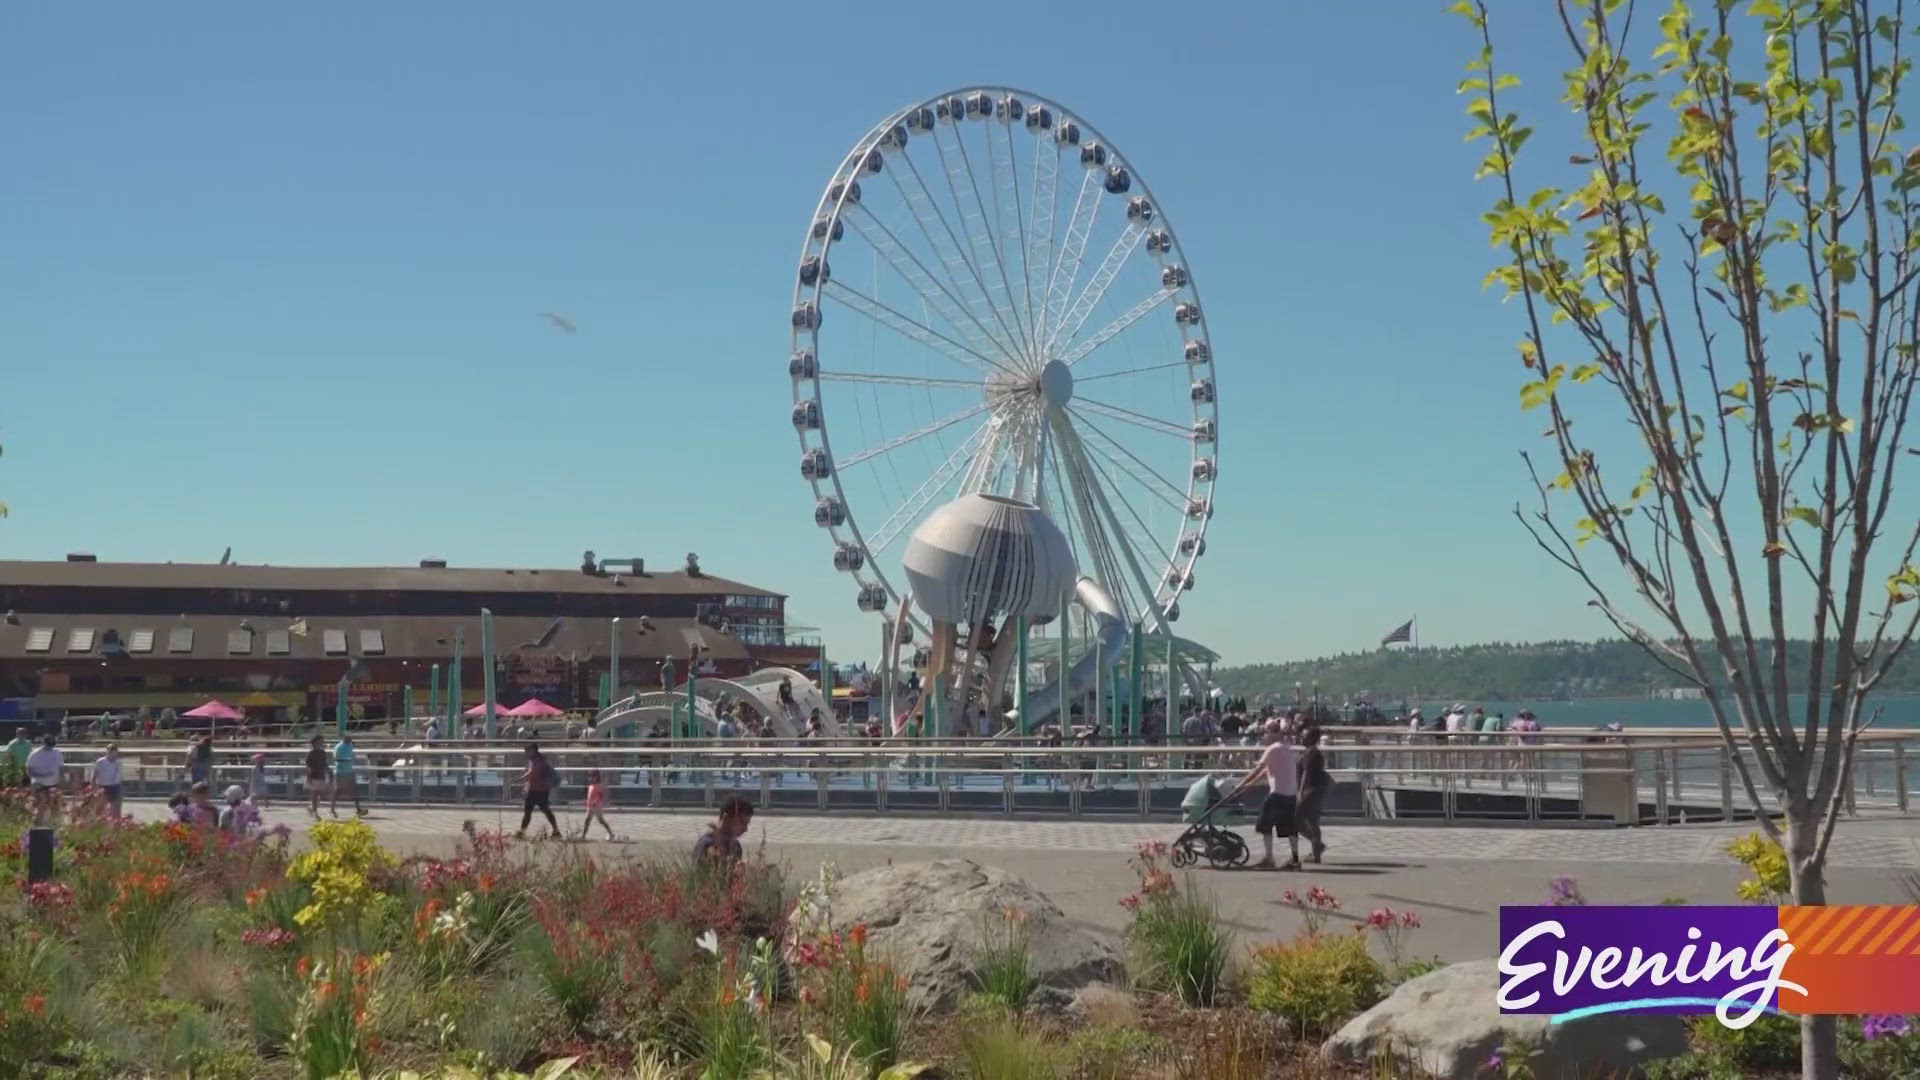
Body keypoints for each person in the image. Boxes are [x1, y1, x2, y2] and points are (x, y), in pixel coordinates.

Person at [1225, 719, 1302, 870]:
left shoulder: (1272, 749)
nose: (1263, 736)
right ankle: (1295, 859)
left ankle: (1269, 858)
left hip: (1278, 794)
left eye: (1265, 733)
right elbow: (1268, 772)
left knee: (1264, 824)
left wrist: (1240, 785)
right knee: (1290, 827)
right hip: (1291, 794)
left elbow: (1258, 770)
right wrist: (1249, 785)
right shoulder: (1287, 748)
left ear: (1272, 733)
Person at [1295, 727, 1331, 864]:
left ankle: (1318, 846)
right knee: (1313, 822)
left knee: (1296, 821)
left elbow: (1306, 773)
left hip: (1309, 791)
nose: (1301, 738)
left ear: (1310, 738)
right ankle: (1316, 852)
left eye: (1303, 736)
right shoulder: (1315, 753)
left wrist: (1300, 792)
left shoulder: (1311, 753)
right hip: (1316, 791)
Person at [694, 793, 753, 866]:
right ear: (725, 818)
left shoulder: (736, 846)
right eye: (741, 822)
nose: (745, 829)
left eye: (747, 824)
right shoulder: (706, 844)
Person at [517, 743, 561, 839]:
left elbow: (532, 773)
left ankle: (522, 832)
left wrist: (521, 778)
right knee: (545, 810)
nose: (525, 751)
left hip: (535, 790)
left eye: (527, 749)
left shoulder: (536, 760)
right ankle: (556, 830)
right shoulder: (539, 759)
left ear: (533, 750)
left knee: (528, 812)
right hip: (541, 789)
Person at [26, 735, 64, 817]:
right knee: (40, 807)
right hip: (39, 784)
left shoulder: (57, 753)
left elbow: (60, 768)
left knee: (55, 806)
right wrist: (41, 775)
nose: (50, 747)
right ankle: (38, 824)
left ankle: (54, 823)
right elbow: (29, 771)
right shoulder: (34, 754)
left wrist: (61, 780)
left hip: (53, 784)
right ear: (43, 743)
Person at [332, 733, 366, 817]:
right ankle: (332, 809)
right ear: (344, 738)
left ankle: (358, 809)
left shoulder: (350, 745)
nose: (351, 740)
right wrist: (346, 760)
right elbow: (336, 758)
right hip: (340, 772)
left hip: (349, 771)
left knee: (354, 790)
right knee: (338, 791)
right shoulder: (339, 747)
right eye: (349, 738)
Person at [579, 768, 615, 840]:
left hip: (596, 806)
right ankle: (583, 836)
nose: (590, 778)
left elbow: (600, 796)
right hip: (590, 806)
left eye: (592, 776)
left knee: (596, 820)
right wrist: (587, 802)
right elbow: (590, 795)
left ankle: (583, 836)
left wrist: (594, 802)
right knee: (591, 820)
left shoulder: (598, 786)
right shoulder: (591, 786)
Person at [92, 742, 125, 818]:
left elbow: (119, 777)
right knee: (100, 808)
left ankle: (116, 825)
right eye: (109, 749)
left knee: (115, 809)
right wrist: (93, 786)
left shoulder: (118, 763)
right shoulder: (100, 761)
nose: (111, 751)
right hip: (102, 787)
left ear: (116, 751)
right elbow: (95, 774)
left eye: (113, 750)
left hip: (114, 787)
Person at [304, 735, 331, 818]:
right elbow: (307, 764)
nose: (321, 743)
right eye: (319, 742)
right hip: (313, 775)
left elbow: (325, 764)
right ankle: (315, 811)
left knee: (321, 793)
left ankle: (312, 807)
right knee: (315, 793)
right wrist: (309, 773)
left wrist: (329, 772)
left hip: (321, 774)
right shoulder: (311, 753)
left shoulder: (323, 752)